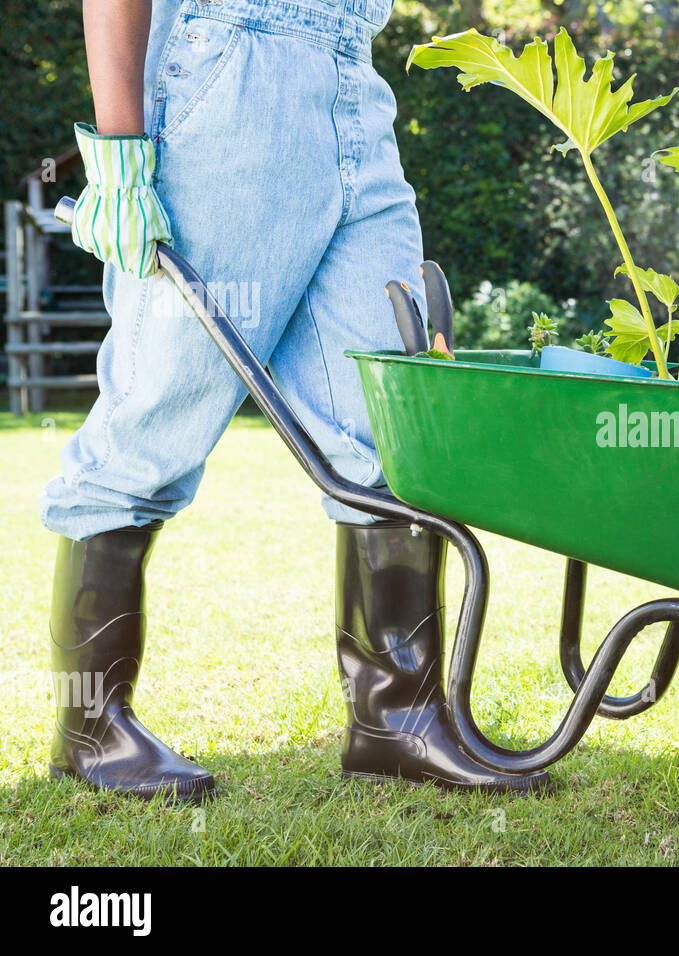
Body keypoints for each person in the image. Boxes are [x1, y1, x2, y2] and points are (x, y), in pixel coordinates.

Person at [43, 0, 547, 801]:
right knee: (150, 429)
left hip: (353, 78)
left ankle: (396, 720)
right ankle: (90, 726)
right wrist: (118, 152)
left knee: (390, 424)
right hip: (228, 77)